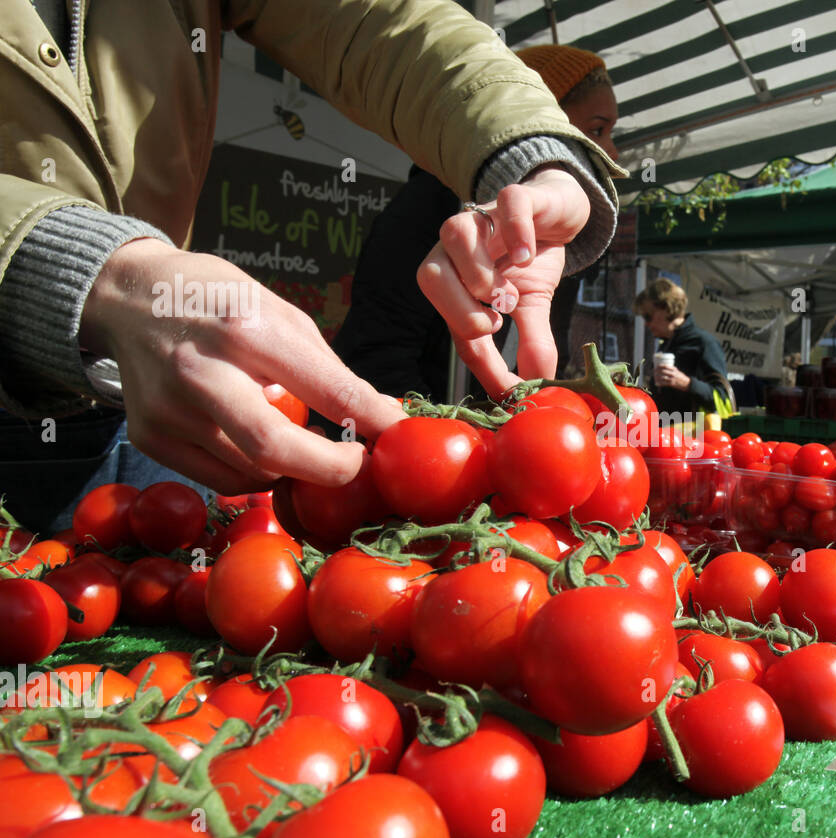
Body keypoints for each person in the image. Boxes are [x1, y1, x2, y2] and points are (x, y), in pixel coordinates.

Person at [0, 1, 620, 529]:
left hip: (179, 417)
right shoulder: (416, 220)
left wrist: (533, 154)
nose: (616, 150)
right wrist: (73, 269)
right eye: (601, 128)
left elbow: (380, 21)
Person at [331, 44, 620, 404]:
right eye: (597, 129)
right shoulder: (433, 204)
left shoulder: (554, 235)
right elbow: (379, 351)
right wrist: (447, 436)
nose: (612, 152)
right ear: (546, 114)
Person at [636, 279, 730, 419]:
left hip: (694, 434)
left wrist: (687, 383)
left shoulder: (703, 343)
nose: (646, 324)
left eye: (648, 316)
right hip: (665, 432)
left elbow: (723, 399)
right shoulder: (666, 344)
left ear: (667, 308)